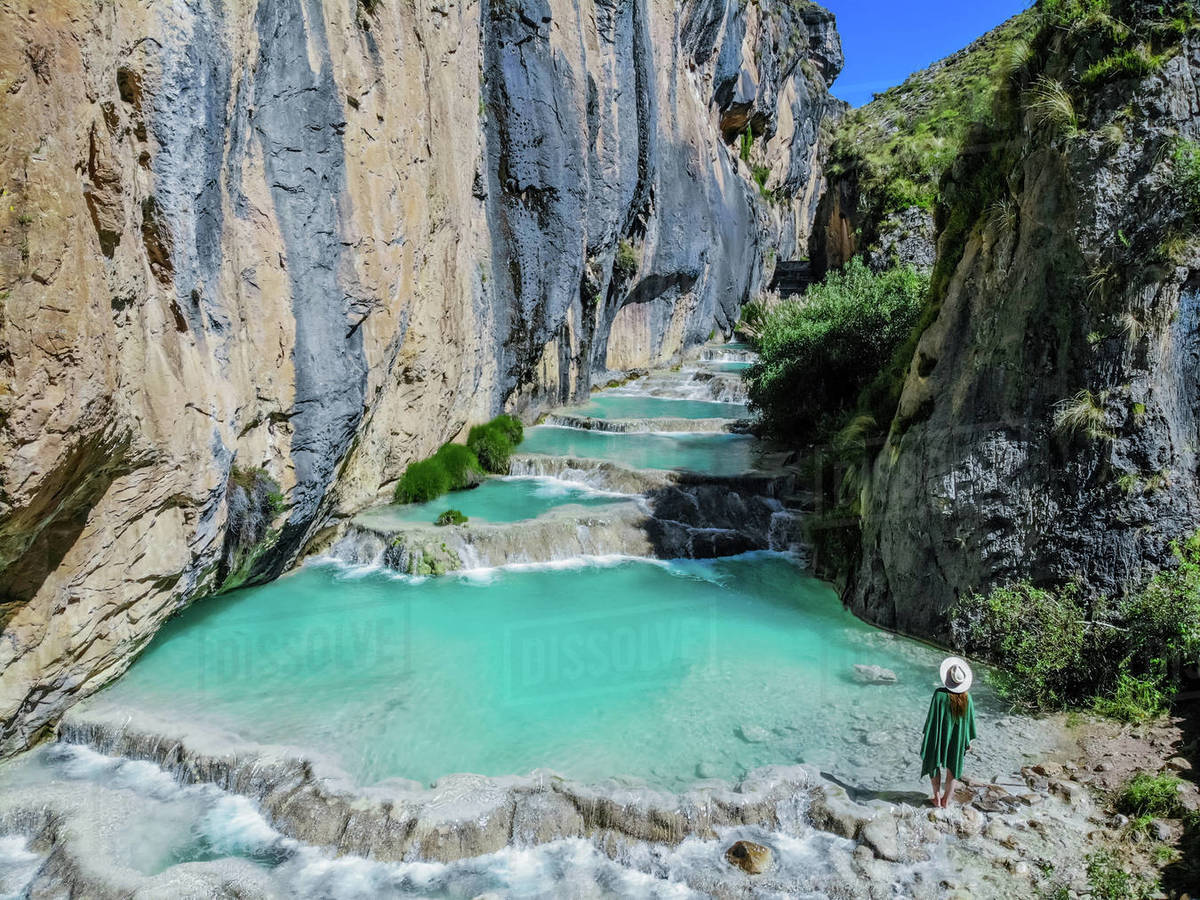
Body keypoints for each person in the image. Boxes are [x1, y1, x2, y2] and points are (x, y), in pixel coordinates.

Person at [920, 656, 976, 808]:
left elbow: (932, 719)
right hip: (957, 739)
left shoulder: (939, 694)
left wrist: (927, 735)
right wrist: (968, 741)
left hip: (939, 736)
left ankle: (937, 797)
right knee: (953, 766)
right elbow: (969, 723)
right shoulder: (967, 697)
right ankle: (946, 801)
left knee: (934, 762)